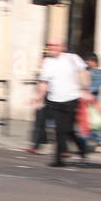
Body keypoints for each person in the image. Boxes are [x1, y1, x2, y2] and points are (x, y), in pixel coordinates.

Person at [38, 39, 90, 167]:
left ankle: (61, 157)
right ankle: (74, 151)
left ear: (63, 47)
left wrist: (84, 90)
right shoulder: (47, 62)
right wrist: (38, 97)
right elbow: (44, 82)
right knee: (62, 129)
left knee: (63, 129)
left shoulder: (73, 58)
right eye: (50, 45)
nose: (52, 47)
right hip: (54, 99)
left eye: (55, 45)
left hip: (71, 98)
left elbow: (84, 74)